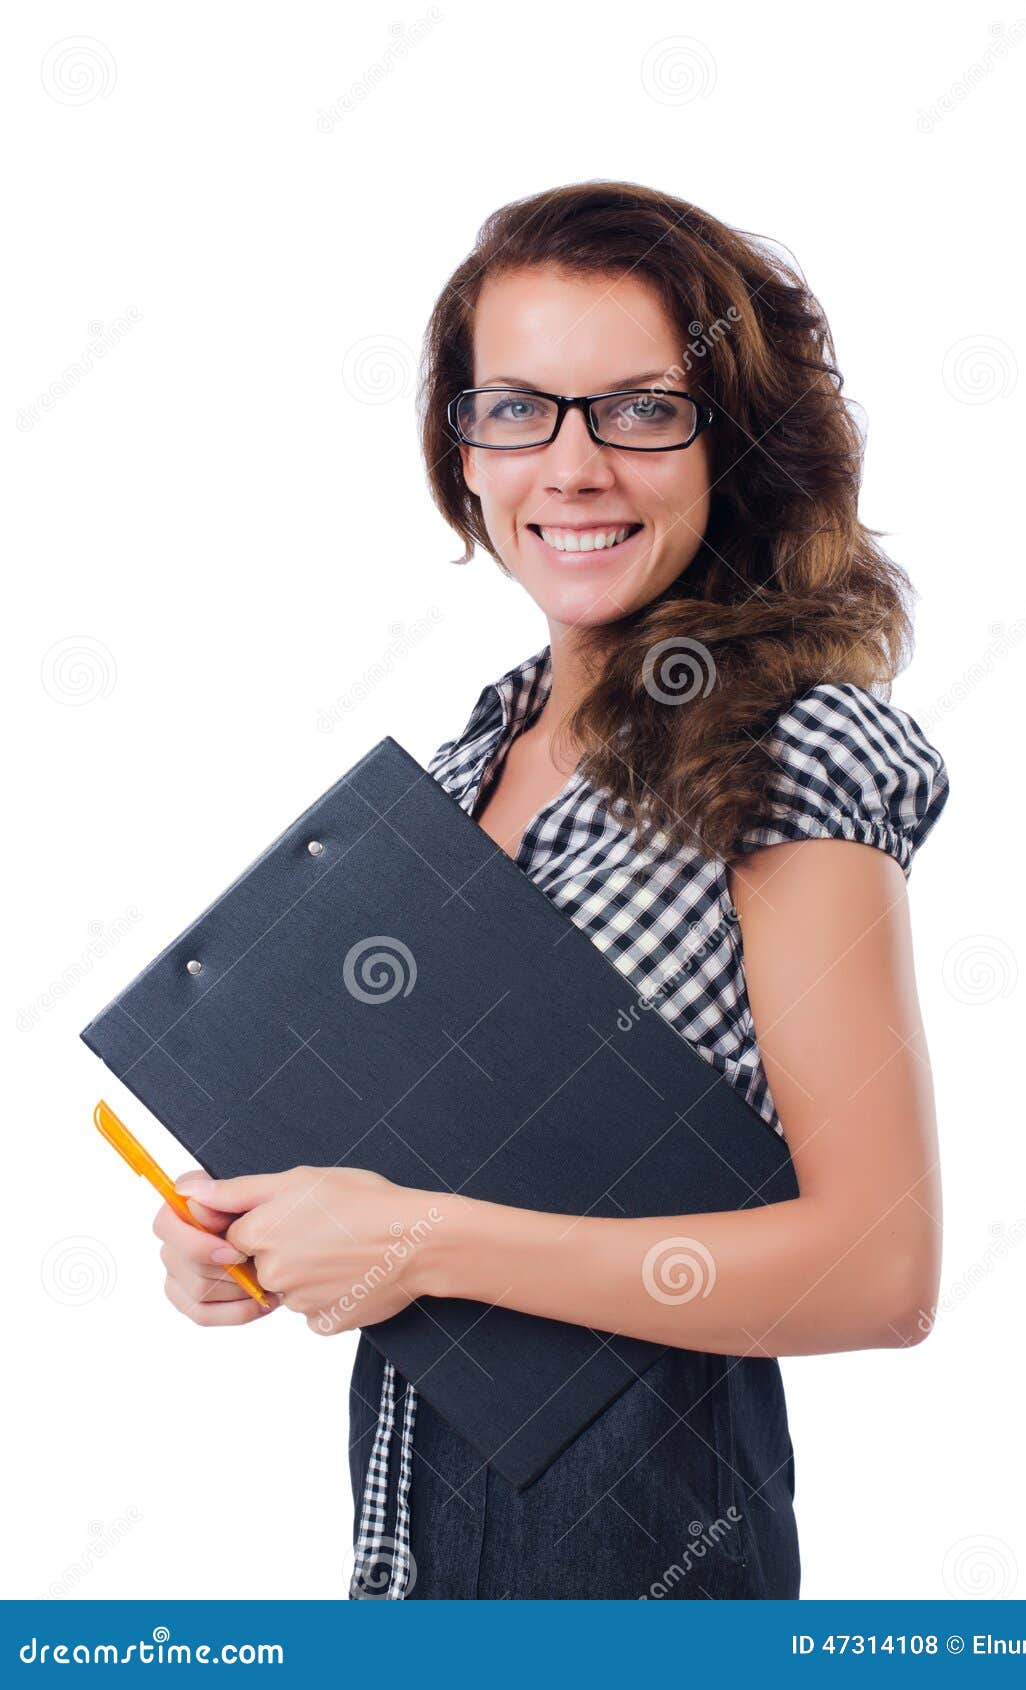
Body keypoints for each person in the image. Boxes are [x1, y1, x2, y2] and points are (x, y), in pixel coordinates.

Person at [154, 181, 950, 1601]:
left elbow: (880, 1266)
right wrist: (255, 1242)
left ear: (733, 442)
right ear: (462, 448)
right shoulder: (468, 761)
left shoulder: (791, 747)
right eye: (515, 407)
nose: (571, 465)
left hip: (646, 1557)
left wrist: (422, 1240)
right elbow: (431, 1172)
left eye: (639, 409)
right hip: (410, 1555)